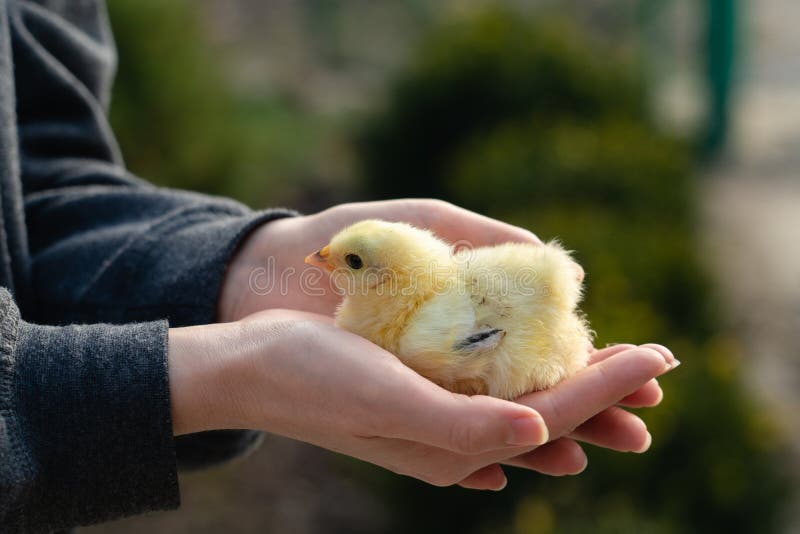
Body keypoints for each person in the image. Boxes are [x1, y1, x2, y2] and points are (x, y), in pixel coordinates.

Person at [0, 1, 678, 532]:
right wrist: (214, 376)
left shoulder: (417, 328)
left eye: (346, 261)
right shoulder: (415, 317)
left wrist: (229, 274)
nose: (321, 262)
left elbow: (35, 175)